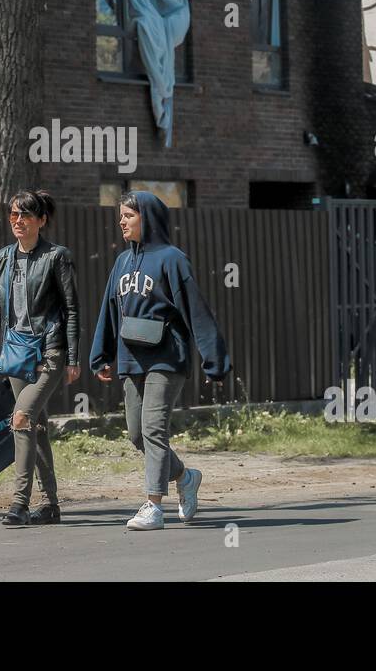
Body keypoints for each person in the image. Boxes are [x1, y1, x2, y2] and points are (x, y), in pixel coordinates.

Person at [90, 190, 230, 530]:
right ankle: (184, 476)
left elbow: (197, 312)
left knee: (154, 429)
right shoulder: (122, 262)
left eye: (128, 215)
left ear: (147, 218)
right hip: (130, 358)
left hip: (167, 357)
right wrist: (100, 355)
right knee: (137, 435)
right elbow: (110, 310)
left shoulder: (172, 259)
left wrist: (214, 360)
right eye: (120, 215)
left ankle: (153, 506)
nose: (121, 221)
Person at [0, 190, 80, 527]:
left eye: (26, 216)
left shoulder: (56, 257)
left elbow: (71, 308)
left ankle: (19, 504)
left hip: (48, 353)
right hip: (17, 354)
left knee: (21, 417)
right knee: (35, 426)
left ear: (41, 220)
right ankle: (50, 506)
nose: (18, 221)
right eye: (14, 215)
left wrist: (74, 356)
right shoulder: (2, 259)